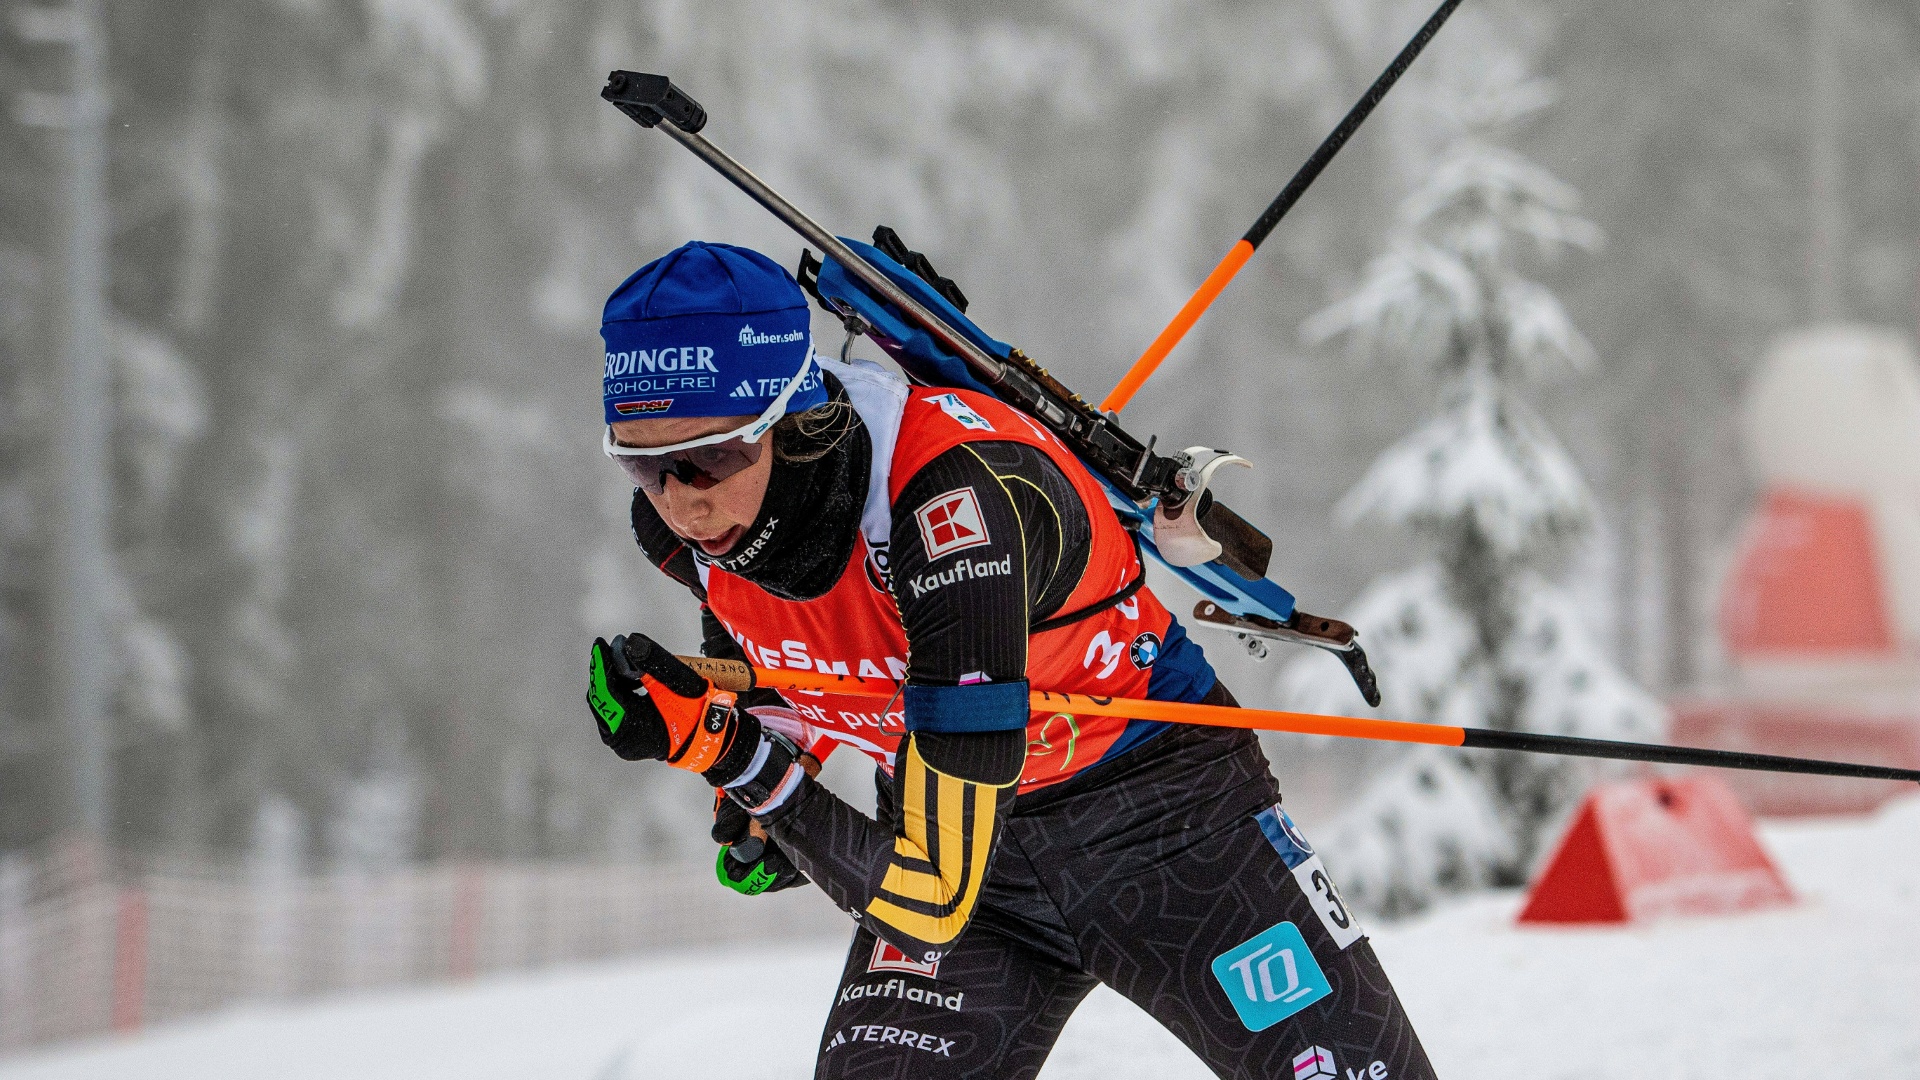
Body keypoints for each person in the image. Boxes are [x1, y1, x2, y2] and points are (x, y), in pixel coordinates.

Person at [584, 240, 1436, 1080]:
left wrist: (733, 759)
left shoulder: (954, 504)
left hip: (1164, 830)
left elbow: (930, 897)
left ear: (794, 412)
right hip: (964, 851)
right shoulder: (681, 527)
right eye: (643, 461)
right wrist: (779, 765)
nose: (681, 499)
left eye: (712, 455)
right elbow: (777, 655)